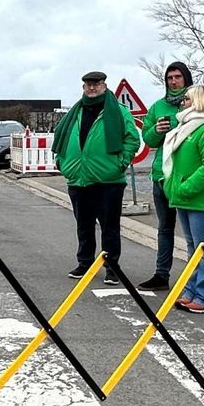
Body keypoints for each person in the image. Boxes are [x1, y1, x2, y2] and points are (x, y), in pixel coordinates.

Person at [52, 71, 142, 285]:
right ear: (83, 87)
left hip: (108, 180)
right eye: (87, 85)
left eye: (96, 84)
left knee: (109, 226)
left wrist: (121, 162)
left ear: (104, 85)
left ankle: (112, 267)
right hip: (79, 178)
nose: (91, 88)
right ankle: (85, 263)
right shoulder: (75, 112)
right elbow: (62, 138)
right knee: (83, 225)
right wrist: (62, 163)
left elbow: (132, 139)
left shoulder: (118, 111)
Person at [163, 85, 204, 313]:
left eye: (187, 99)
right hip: (186, 195)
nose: (183, 102)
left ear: (200, 100)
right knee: (194, 247)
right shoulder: (189, 126)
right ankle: (193, 289)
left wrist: (186, 187)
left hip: (200, 196)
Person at [136, 62, 192, 291]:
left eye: (178, 77)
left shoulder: (196, 104)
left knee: (191, 233)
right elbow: (148, 140)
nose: (173, 81)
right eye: (169, 78)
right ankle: (161, 274)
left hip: (186, 175)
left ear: (186, 79)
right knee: (165, 228)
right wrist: (156, 131)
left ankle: (194, 278)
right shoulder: (158, 107)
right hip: (162, 174)